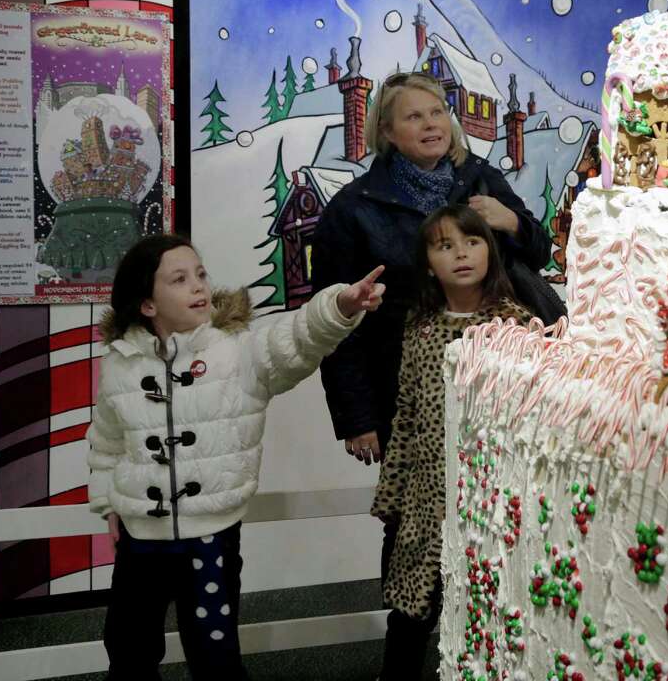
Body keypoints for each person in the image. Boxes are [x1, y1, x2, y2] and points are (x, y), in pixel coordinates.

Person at [308, 72, 550, 660]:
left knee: (501, 523)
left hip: (501, 379)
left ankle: (495, 659)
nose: (431, 124)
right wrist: (357, 417)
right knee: (416, 534)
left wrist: (511, 222)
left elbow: (539, 252)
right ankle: (406, 658)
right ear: (386, 132)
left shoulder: (482, 181)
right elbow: (338, 324)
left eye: (438, 112)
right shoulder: (354, 209)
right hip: (409, 389)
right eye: (413, 116)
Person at [86, 234, 384, 679]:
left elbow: (296, 339)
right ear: (147, 304)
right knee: (128, 646)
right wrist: (107, 504)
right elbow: (106, 441)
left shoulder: (238, 351)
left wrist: (338, 308)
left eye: (201, 274)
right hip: (140, 537)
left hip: (211, 537)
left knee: (214, 651)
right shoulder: (119, 364)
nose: (199, 286)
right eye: (180, 279)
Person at [372, 205, 532, 676]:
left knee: (487, 613)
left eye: (472, 242)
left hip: (488, 502)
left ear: (491, 251)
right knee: (410, 611)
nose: (461, 254)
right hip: (427, 503)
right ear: (427, 262)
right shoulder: (420, 328)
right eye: (445, 246)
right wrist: (393, 497)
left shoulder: (514, 327)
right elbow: (406, 416)